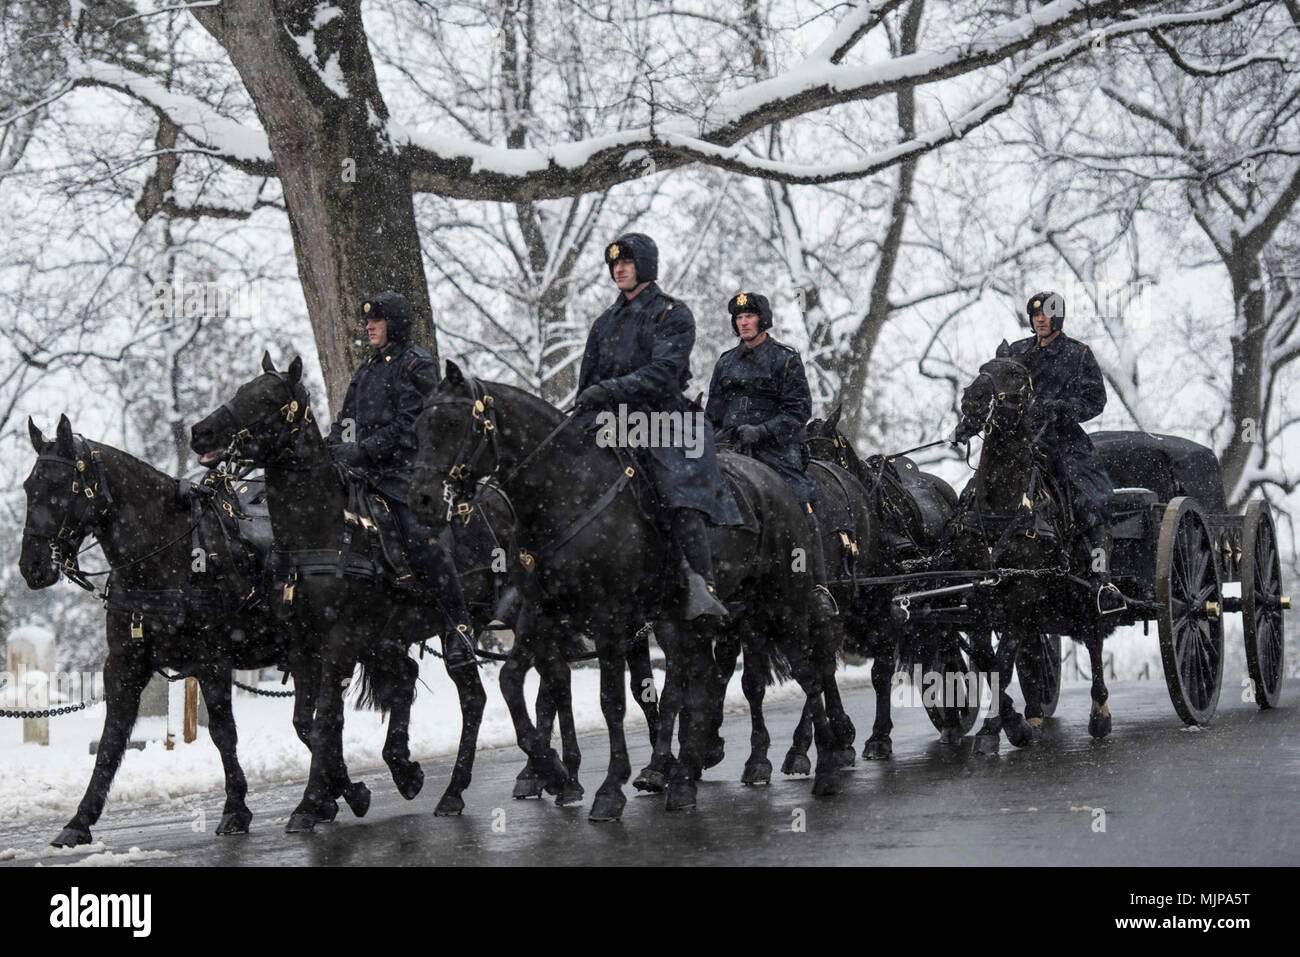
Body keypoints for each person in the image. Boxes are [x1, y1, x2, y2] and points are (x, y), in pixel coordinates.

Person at [573, 233, 743, 620]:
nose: (618, 269)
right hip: (610, 423)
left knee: (677, 494)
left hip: (662, 421)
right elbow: (589, 383)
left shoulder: (672, 313)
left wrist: (609, 390)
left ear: (645, 265)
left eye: (627, 262)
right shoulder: (603, 323)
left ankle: (702, 585)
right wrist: (586, 406)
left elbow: (662, 374)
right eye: (614, 263)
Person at [325, 290, 478, 664]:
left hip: (405, 475)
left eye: (376, 320)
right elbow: (347, 419)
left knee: (423, 541)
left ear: (395, 324)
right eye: (368, 321)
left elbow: (413, 425)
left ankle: (459, 627)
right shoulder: (367, 368)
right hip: (363, 475)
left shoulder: (416, 364)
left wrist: (365, 450)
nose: (369, 326)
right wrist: (331, 448)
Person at [962, 291, 1120, 610]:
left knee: (1091, 501)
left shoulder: (1079, 354)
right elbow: (996, 393)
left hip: (1063, 443)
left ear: (1057, 318)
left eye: (1047, 313)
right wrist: (973, 421)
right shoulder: (1016, 352)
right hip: (1018, 440)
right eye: (1036, 314)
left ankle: (1103, 581)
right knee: (971, 496)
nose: (1040, 318)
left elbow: (1095, 401)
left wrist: (1060, 409)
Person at [706, 292, 836, 617]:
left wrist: (762, 431)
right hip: (731, 449)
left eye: (749, 316)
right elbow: (713, 414)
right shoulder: (725, 362)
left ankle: (815, 585)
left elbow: (798, 412)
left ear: (762, 320)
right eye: (738, 318)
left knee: (802, 507)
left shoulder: (786, 359)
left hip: (776, 453)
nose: (743, 322)